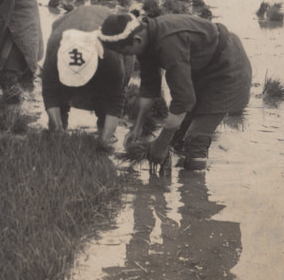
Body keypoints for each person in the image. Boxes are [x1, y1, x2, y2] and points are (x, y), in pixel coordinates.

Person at [98, 12, 252, 174]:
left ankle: (194, 191)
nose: (129, 57)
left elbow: (183, 101)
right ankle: (177, 178)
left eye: (128, 52)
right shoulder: (146, 39)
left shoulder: (169, 44)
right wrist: (137, 127)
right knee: (178, 137)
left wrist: (161, 144)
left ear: (137, 40)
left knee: (195, 140)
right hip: (203, 67)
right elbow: (150, 89)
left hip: (230, 68)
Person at [40, 5, 135, 150]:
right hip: (71, 21)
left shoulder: (111, 55)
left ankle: (103, 125)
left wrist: (104, 141)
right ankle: (61, 123)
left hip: (104, 27)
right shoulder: (55, 54)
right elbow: (49, 92)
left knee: (106, 107)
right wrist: (57, 128)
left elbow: (116, 100)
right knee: (59, 108)